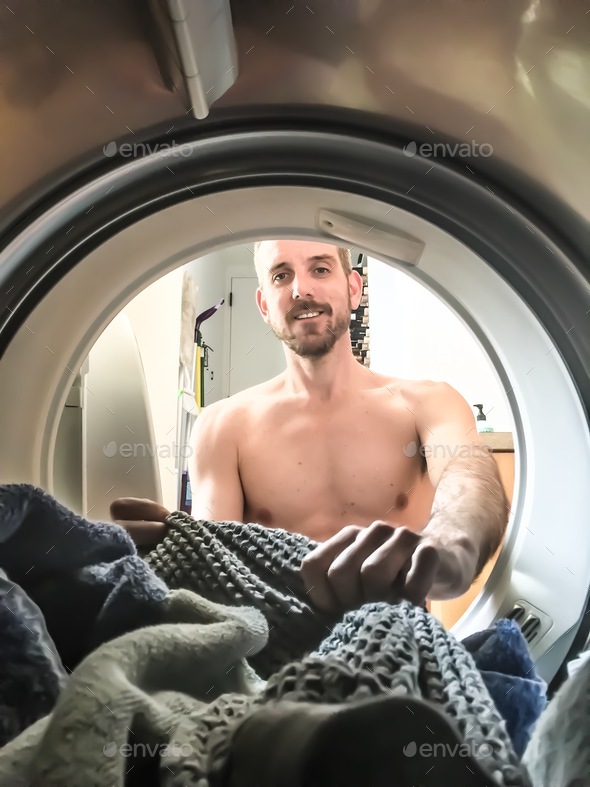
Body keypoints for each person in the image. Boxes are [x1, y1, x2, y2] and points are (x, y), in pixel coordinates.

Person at [111, 239, 508, 614]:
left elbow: (469, 475)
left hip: (399, 641)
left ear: (353, 288)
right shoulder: (222, 426)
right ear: (264, 304)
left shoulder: (427, 403)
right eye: (281, 275)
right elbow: (217, 569)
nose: (301, 289)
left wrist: (451, 547)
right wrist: (178, 551)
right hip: (277, 648)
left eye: (320, 269)